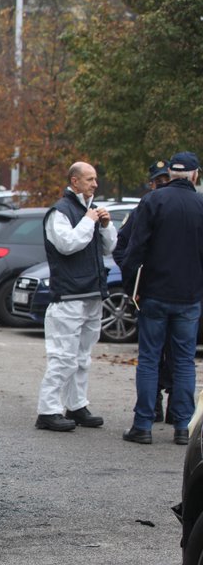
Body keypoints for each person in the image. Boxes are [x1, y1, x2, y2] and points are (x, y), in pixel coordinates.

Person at [118, 151, 203, 445]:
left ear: (171, 173)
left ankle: (143, 425)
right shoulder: (200, 205)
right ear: (195, 175)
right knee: (184, 361)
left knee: (149, 360)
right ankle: (183, 426)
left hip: (154, 293)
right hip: (188, 296)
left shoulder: (153, 201)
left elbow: (135, 248)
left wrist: (132, 286)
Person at [35, 161, 117, 432]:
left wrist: (105, 225)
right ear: (75, 181)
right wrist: (89, 221)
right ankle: (48, 410)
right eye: (90, 179)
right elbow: (67, 245)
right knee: (63, 356)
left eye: (95, 179)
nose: (95, 184)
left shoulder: (89, 212)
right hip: (69, 295)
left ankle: (77, 404)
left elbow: (109, 248)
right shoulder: (60, 212)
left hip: (92, 292)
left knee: (83, 357)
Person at [112, 160, 171, 423]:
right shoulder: (142, 210)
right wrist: (133, 285)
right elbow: (122, 249)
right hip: (151, 294)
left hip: (180, 294)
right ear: (151, 184)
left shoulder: (185, 206)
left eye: (166, 179)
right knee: (153, 355)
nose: (163, 184)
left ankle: (176, 409)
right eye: (159, 181)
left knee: (178, 356)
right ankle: (154, 405)